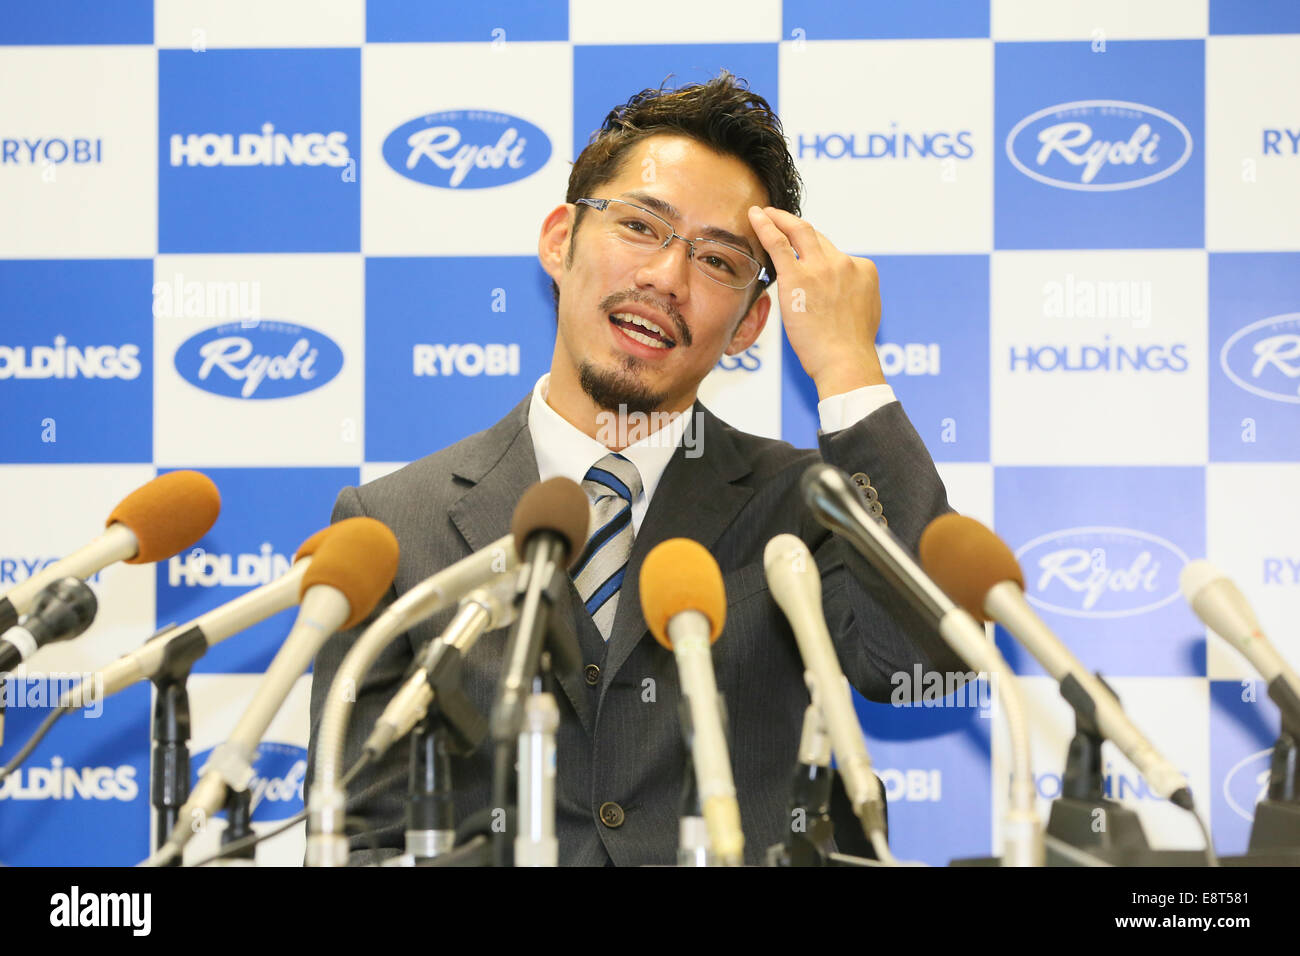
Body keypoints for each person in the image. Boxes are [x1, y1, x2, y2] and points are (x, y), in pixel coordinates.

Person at [307, 71, 967, 866]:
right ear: (560, 240)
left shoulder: (803, 505)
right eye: (641, 227)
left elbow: (920, 664)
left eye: (720, 261)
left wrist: (848, 366)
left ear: (750, 322)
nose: (667, 278)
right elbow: (357, 840)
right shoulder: (390, 527)